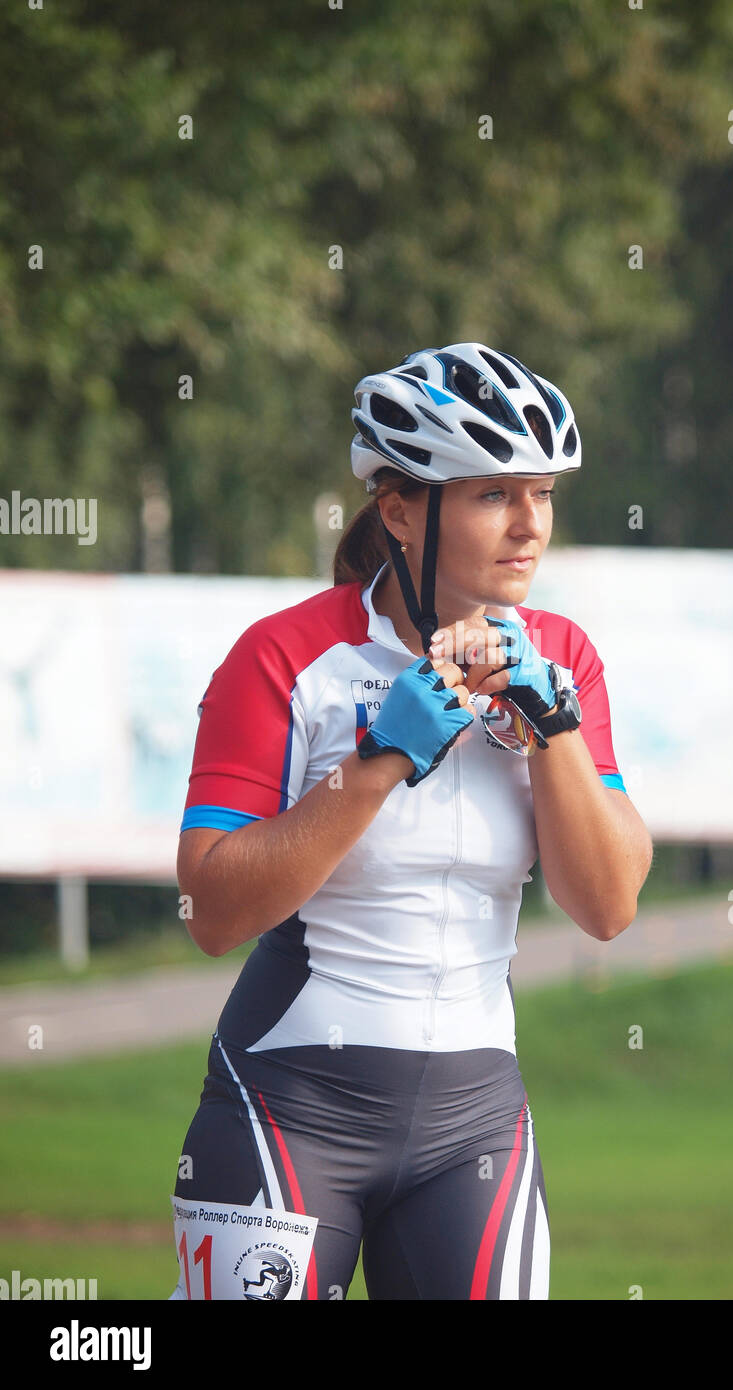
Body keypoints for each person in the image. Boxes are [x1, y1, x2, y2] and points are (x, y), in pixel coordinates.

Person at [168, 342, 653, 1300]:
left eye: (542, 493)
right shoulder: (286, 657)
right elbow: (213, 913)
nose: (528, 526)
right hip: (287, 1111)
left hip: (475, 1128)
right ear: (398, 509)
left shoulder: (564, 658)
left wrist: (547, 723)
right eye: (491, 495)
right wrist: (381, 760)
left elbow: (606, 905)